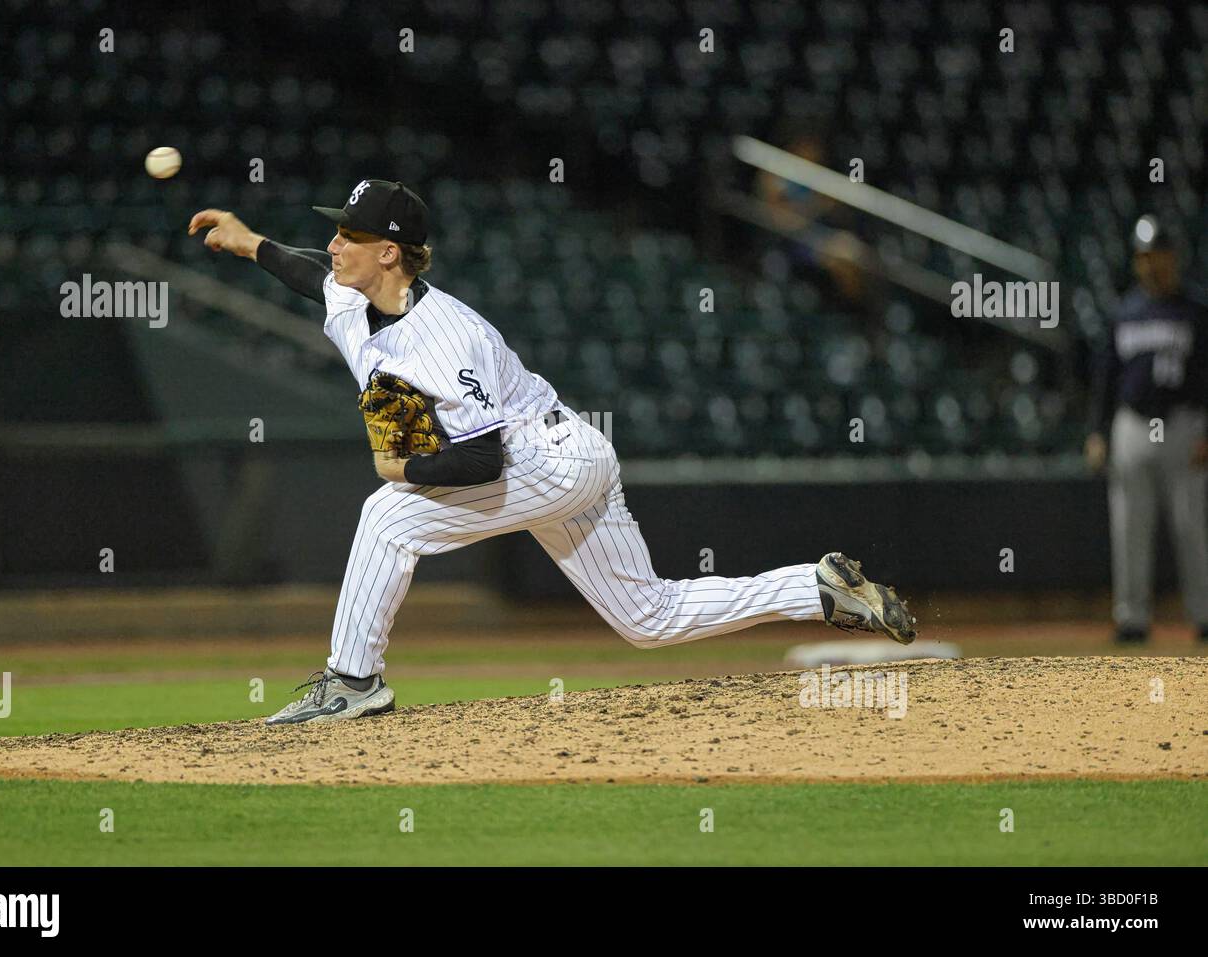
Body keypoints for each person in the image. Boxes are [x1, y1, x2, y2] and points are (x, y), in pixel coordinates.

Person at [187, 178, 917, 726]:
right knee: (647, 617)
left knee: (388, 515)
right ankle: (815, 587)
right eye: (337, 232)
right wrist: (248, 240)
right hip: (569, 454)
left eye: (350, 234)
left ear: (389, 253)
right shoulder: (356, 298)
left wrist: (402, 467)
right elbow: (309, 271)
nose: (336, 243)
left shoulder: (446, 336)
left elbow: (483, 465)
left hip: (542, 459)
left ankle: (353, 681)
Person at [1084, 213, 1208, 644]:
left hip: (1183, 424)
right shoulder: (1124, 312)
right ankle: (1132, 618)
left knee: (1191, 523)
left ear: (1173, 256)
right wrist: (1098, 431)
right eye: (1143, 256)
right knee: (1129, 525)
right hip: (1132, 424)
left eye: (1156, 254)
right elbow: (1106, 378)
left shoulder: (1195, 310)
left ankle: (1204, 615)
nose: (1150, 263)